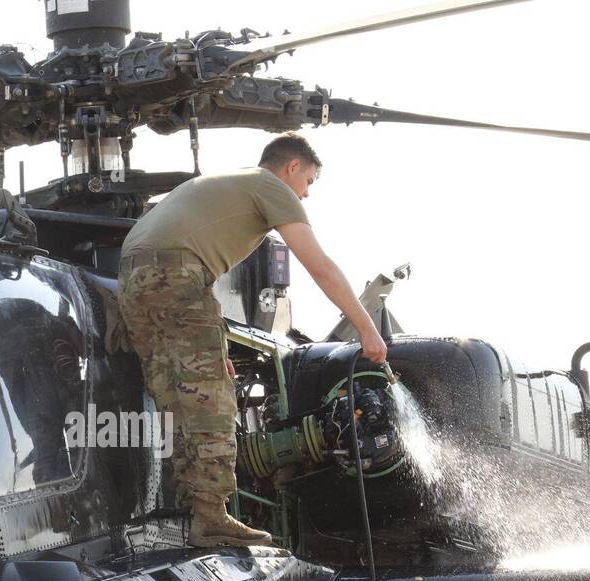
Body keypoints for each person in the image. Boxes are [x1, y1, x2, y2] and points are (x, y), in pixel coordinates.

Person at [117, 131, 387, 547]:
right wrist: (368, 329)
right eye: (309, 181)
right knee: (212, 404)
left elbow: (183, 264)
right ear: (292, 167)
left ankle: (185, 511)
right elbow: (319, 266)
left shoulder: (227, 184)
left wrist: (215, 345)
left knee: (177, 399)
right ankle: (210, 517)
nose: (306, 194)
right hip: (178, 277)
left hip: (135, 281)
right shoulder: (270, 186)